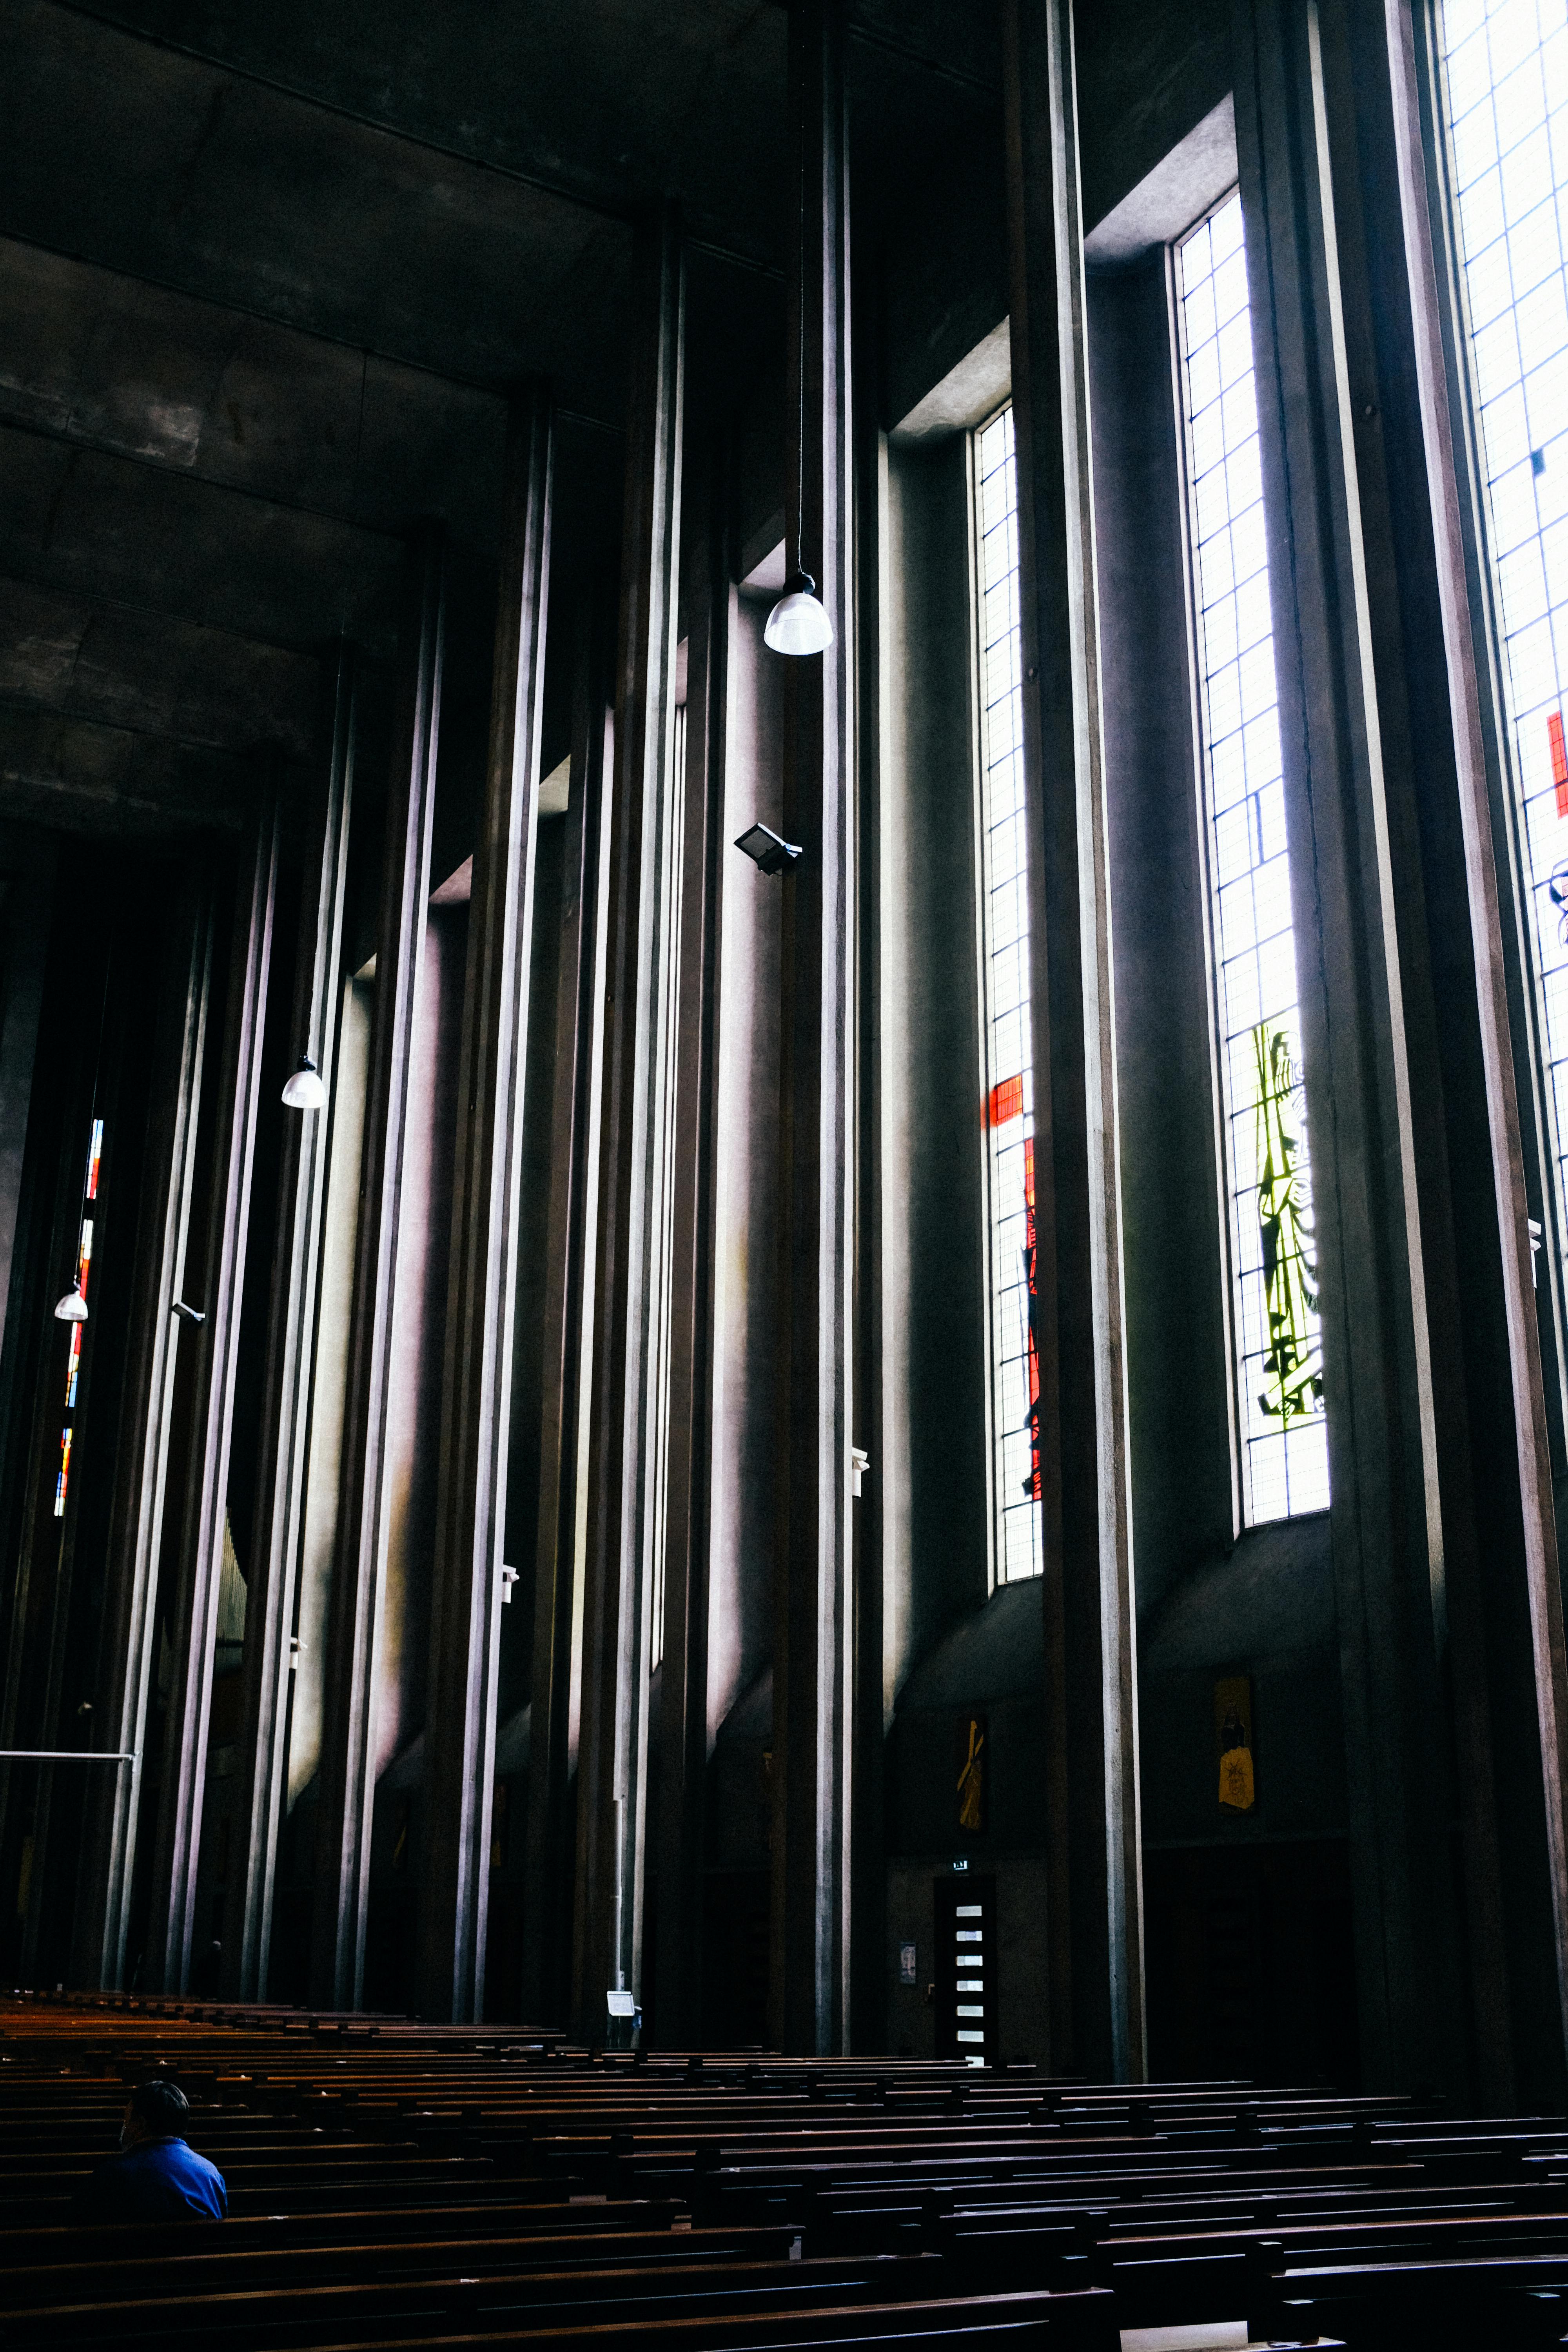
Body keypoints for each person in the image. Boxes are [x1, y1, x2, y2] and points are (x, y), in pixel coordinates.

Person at [78, 2077, 227, 2221]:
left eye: (126, 2119)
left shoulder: (110, 2175)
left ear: (141, 2124)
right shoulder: (211, 2174)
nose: (124, 2126)